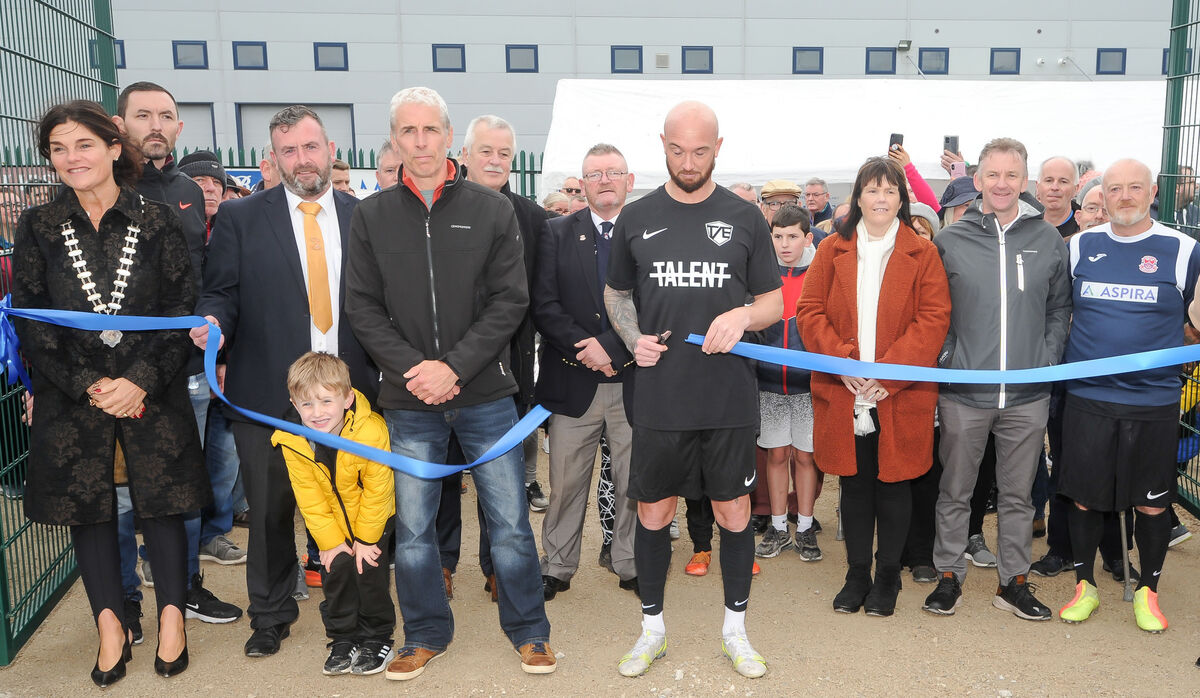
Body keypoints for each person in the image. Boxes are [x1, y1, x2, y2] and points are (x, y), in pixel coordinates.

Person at [344, 86, 554, 680]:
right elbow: (362, 307)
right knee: (412, 531)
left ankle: (530, 631)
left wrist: (454, 367)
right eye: (407, 132)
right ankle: (426, 634)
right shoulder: (372, 215)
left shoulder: (493, 210)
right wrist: (418, 371)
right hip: (408, 400)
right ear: (393, 141)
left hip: (487, 394)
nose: (419, 142)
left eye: (429, 130)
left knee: (511, 522)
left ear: (446, 135)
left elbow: (510, 302)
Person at [12, 99, 209, 685]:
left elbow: (181, 309)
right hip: (74, 399)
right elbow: (30, 319)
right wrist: (91, 384)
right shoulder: (37, 227)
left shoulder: (156, 219)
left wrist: (140, 381)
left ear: (113, 147)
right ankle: (109, 626)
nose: (72, 158)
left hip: (154, 391)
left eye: (84, 144)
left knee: (165, 505)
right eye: (58, 148)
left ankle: (172, 617)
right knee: (89, 511)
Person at [605, 100, 782, 679]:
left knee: (733, 510)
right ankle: (651, 628)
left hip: (728, 395)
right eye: (677, 150)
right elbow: (617, 295)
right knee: (654, 510)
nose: (688, 161)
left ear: (718, 148)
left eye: (700, 151)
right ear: (662, 144)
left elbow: (773, 300)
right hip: (659, 393)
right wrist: (632, 338)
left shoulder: (745, 216)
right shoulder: (636, 216)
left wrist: (743, 319)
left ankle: (736, 630)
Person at [193, 104, 377, 658]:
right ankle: (269, 616)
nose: (302, 160)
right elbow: (219, 291)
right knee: (270, 511)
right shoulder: (240, 218)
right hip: (268, 395)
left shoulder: (364, 216)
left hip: (351, 394)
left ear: (331, 151)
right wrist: (213, 325)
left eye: (310, 147)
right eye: (288, 150)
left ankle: (361, 615)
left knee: (354, 508)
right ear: (272, 159)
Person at [111, 83, 242, 635]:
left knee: (186, 486)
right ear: (120, 126)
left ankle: (184, 586)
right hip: (117, 376)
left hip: (188, 373)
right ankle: (123, 602)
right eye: (143, 115)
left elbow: (207, 279)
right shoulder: (102, 186)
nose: (156, 125)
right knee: (120, 493)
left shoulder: (190, 189)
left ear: (180, 129)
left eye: (166, 115)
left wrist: (215, 332)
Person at [923, 138, 1072, 621]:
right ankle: (948, 574)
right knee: (956, 489)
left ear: (1024, 182)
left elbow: (1058, 308)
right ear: (979, 180)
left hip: (1027, 395)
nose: (1002, 184)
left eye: (1012, 176)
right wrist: (949, 357)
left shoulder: (1048, 238)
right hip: (965, 392)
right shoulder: (950, 240)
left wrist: (1045, 358)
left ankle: (1014, 582)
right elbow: (935, 313)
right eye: (993, 175)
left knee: (1018, 493)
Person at [797, 157, 951, 616]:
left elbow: (933, 319)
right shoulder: (830, 250)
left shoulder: (923, 253)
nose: (880, 199)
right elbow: (809, 312)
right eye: (871, 190)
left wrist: (888, 375)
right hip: (843, 388)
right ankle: (856, 574)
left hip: (898, 393)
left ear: (901, 199)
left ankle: (888, 578)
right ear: (858, 198)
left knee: (895, 484)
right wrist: (841, 363)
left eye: (889, 191)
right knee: (855, 485)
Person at [1058, 159, 1200, 632]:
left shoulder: (1182, 250)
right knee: (1084, 499)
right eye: (1114, 188)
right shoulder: (1079, 247)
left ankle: (1148, 592)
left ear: (1152, 192)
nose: (1123, 196)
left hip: (1153, 402)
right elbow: (1058, 313)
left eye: (1133, 187)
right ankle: (1086, 586)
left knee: (1153, 504)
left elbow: (1196, 325)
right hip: (1088, 398)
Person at [533, 143, 638, 599]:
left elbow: (658, 304)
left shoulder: (649, 232)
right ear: (582, 183)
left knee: (635, 481)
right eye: (594, 174)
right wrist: (587, 349)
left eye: (613, 172)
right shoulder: (555, 232)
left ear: (629, 181)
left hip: (634, 379)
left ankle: (631, 562)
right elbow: (543, 304)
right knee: (566, 483)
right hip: (573, 379)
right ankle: (557, 566)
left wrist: (612, 347)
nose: (604, 180)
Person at [271, 352, 397, 674]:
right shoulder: (291, 439)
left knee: (369, 574)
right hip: (331, 523)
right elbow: (308, 498)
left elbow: (378, 489)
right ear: (293, 403)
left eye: (326, 401)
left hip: (372, 518)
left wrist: (366, 539)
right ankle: (343, 637)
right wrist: (329, 542)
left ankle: (377, 636)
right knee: (336, 573)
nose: (317, 413)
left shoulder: (371, 430)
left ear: (347, 398)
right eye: (306, 404)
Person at [752, 203, 821, 562]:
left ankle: (806, 526)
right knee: (776, 455)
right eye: (778, 236)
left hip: (809, 388)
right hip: (769, 384)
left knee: (806, 458)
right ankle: (779, 527)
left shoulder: (820, 274)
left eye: (792, 236)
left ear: (807, 237)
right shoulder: (761, 276)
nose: (784, 244)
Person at [1036, 156, 1080, 237]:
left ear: (1076, 189)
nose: (1054, 187)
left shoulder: (1085, 228)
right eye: (1049, 180)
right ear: (1037, 187)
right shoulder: (1021, 225)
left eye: (1063, 181)